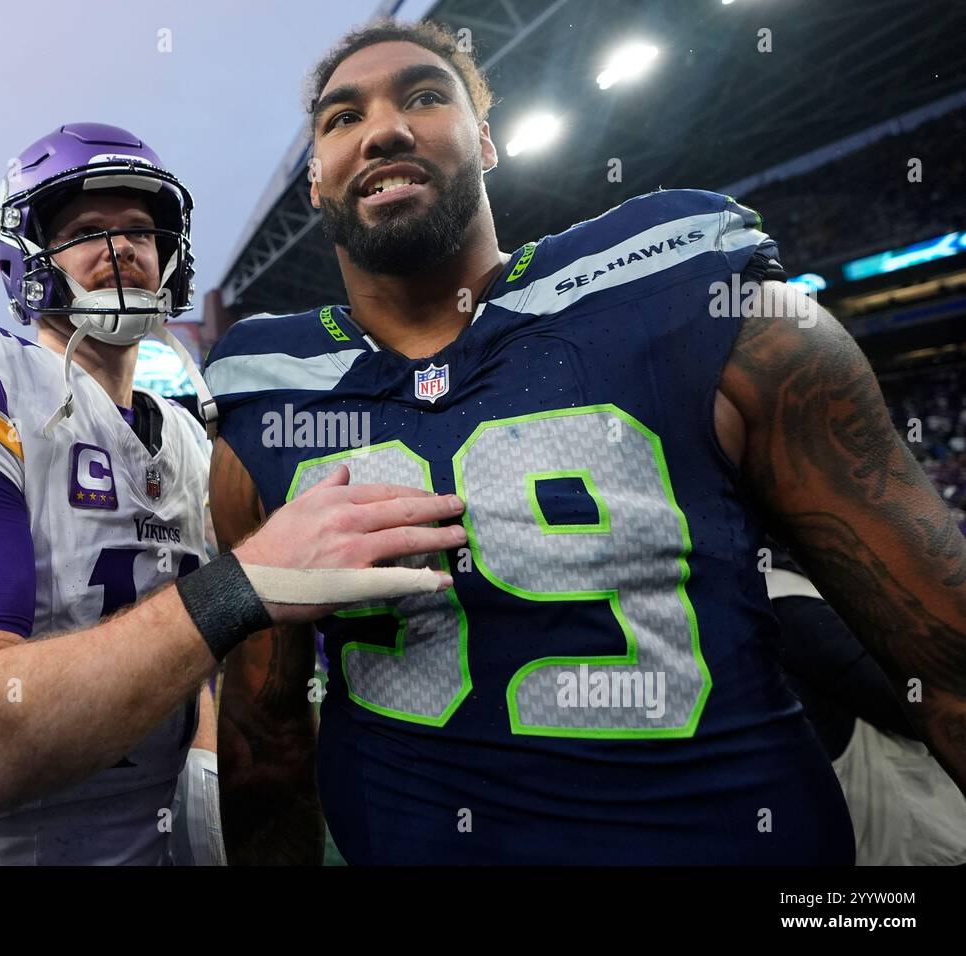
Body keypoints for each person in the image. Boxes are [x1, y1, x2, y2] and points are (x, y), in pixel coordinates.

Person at [203, 20, 966, 864]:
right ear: (317, 177)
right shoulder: (267, 387)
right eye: (342, 118)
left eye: (424, 97)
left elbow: (946, 659)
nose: (384, 128)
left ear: (485, 140)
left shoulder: (683, 287)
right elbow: (265, 741)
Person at [0, 123, 462, 865]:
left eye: (140, 229)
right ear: (27, 256)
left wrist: (197, 783)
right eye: (85, 231)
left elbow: (173, 649)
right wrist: (246, 584)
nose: (121, 248)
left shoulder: (192, 441)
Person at [766, 546, 966, 865]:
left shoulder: (782, 595)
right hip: (899, 822)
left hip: (891, 814)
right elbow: (914, 706)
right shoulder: (791, 605)